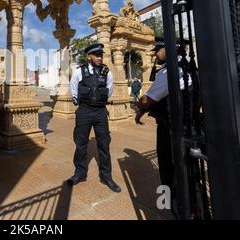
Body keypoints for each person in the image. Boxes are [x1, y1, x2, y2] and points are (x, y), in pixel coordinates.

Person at [135, 37, 192, 191]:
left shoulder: (170, 71)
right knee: (186, 167)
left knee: (169, 166)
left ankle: (173, 201)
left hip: (170, 128)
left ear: (168, 49)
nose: (155, 55)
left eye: (157, 51)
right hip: (187, 124)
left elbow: (147, 100)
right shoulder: (188, 67)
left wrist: (139, 105)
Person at [68, 43, 121, 193]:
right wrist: (79, 101)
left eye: (101, 55)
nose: (99, 57)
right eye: (96, 55)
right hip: (84, 111)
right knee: (81, 144)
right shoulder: (79, 72)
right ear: (89, 56)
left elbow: (109, 91)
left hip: (100, 112)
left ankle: (106, 176)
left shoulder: (107, 73)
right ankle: (79, 173)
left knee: (104, 144)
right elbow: (73, 89)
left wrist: (98, 101)